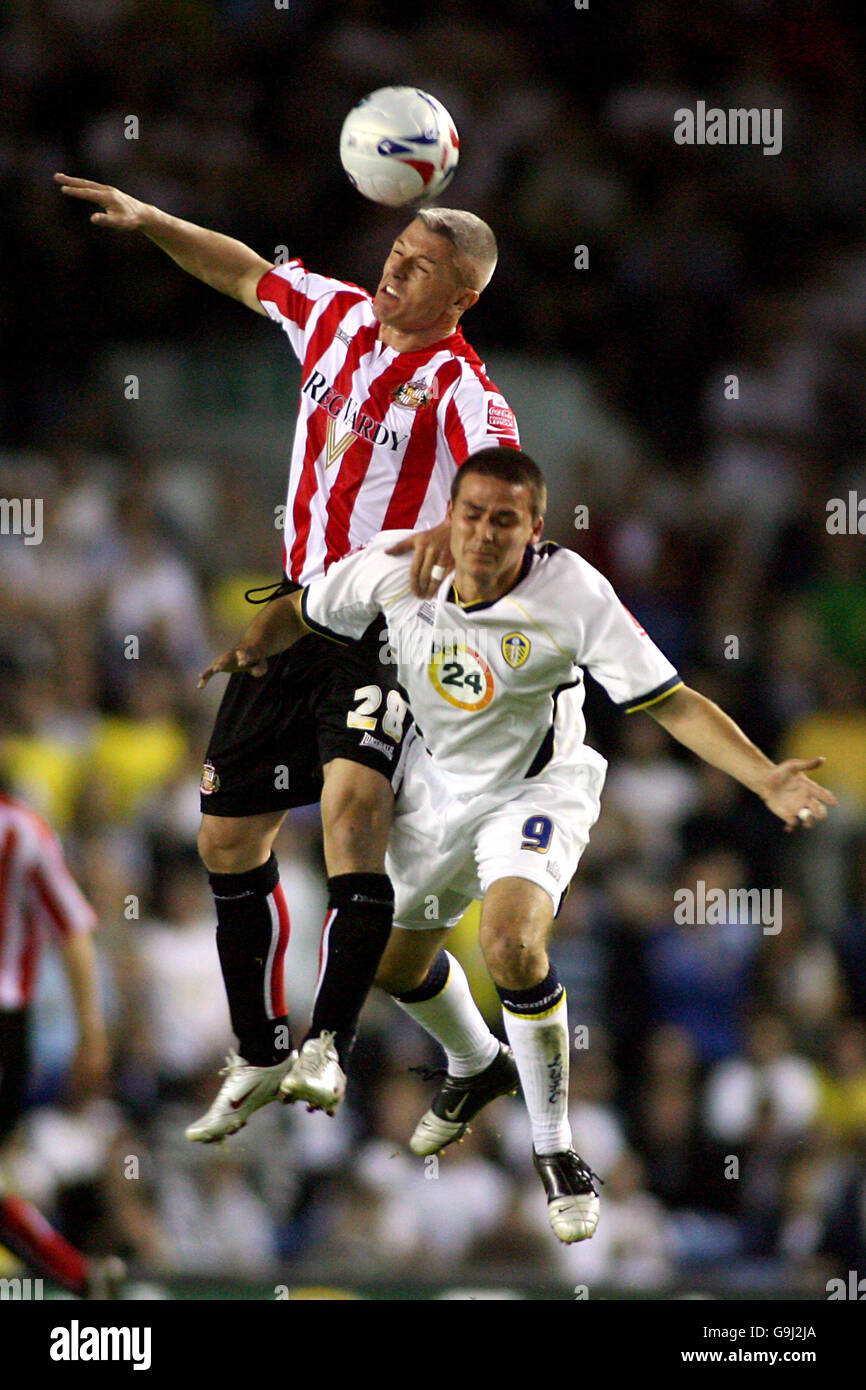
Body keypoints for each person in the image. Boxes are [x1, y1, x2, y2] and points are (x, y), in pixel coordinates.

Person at [200, 446, 837, 1243]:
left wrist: (766, 779)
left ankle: (556, 1146)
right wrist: (253, 646)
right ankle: (476, 1062)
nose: (485, 534)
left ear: (535, 529)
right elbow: (304, 608)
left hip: (540, 787)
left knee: (509, 945)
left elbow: (671, 704)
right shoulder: (396, 566)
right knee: (393, 966)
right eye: (472, 515)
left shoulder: (571, 594)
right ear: (451, 517)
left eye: (506, 520)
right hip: (436, 784)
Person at [55, 173, 520, 1137]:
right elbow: (244, 273)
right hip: (299, 616)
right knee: (227, 840)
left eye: (420, 268)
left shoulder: (464, 393)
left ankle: (328, 1050)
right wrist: (153, 220)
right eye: (396, 254)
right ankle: (263, 1051)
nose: (394, 272)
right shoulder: (336, 316)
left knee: (352, 814)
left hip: (391, 634)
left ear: (461, 297)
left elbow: (505, 485)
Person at [0, 781, 123, 1295]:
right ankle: (82, 1276)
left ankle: (80, 1275)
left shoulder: (20, 831)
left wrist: (91, 1034)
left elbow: (72, 928)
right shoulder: (23, 828)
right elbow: (72, 929)